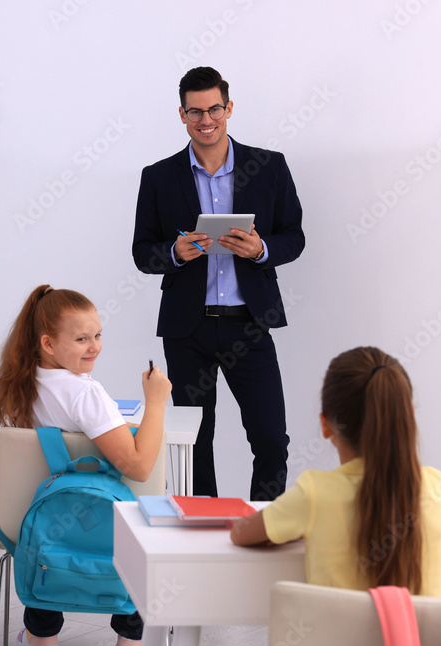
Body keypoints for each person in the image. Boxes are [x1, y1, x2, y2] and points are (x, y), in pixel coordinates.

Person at [132, 65, 306, 501]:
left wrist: (260, 250)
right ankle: (204, 537)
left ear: (229, 108)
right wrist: (175, 254)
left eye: (214, 109)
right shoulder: (158, 176)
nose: (205, 120)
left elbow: (295, 236)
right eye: (195, 112)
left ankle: (264, 529)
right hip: (188, 330)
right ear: (182, 114)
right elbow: (141, 252)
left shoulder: (268, 167)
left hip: (249, 323)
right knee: (193, 444)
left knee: (270, 439)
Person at [0, 285, 173, 646]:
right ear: (48, 344)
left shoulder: (21, 385)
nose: (94, 346)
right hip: (107, 527)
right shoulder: (85, 394)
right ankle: (133, 637)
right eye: (81, 339)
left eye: (97, 335)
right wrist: (155, 402)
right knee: (134, 524)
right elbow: (138, 467)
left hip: (34, 527)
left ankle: (40, 635)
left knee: (51, 529)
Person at [231, 347, 441, 596]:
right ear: (408, 418)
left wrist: (293, 523)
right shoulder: (440, 488)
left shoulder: (314, 495)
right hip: (418, 637)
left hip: (333, 637)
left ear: (326, 426)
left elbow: (240, 533)